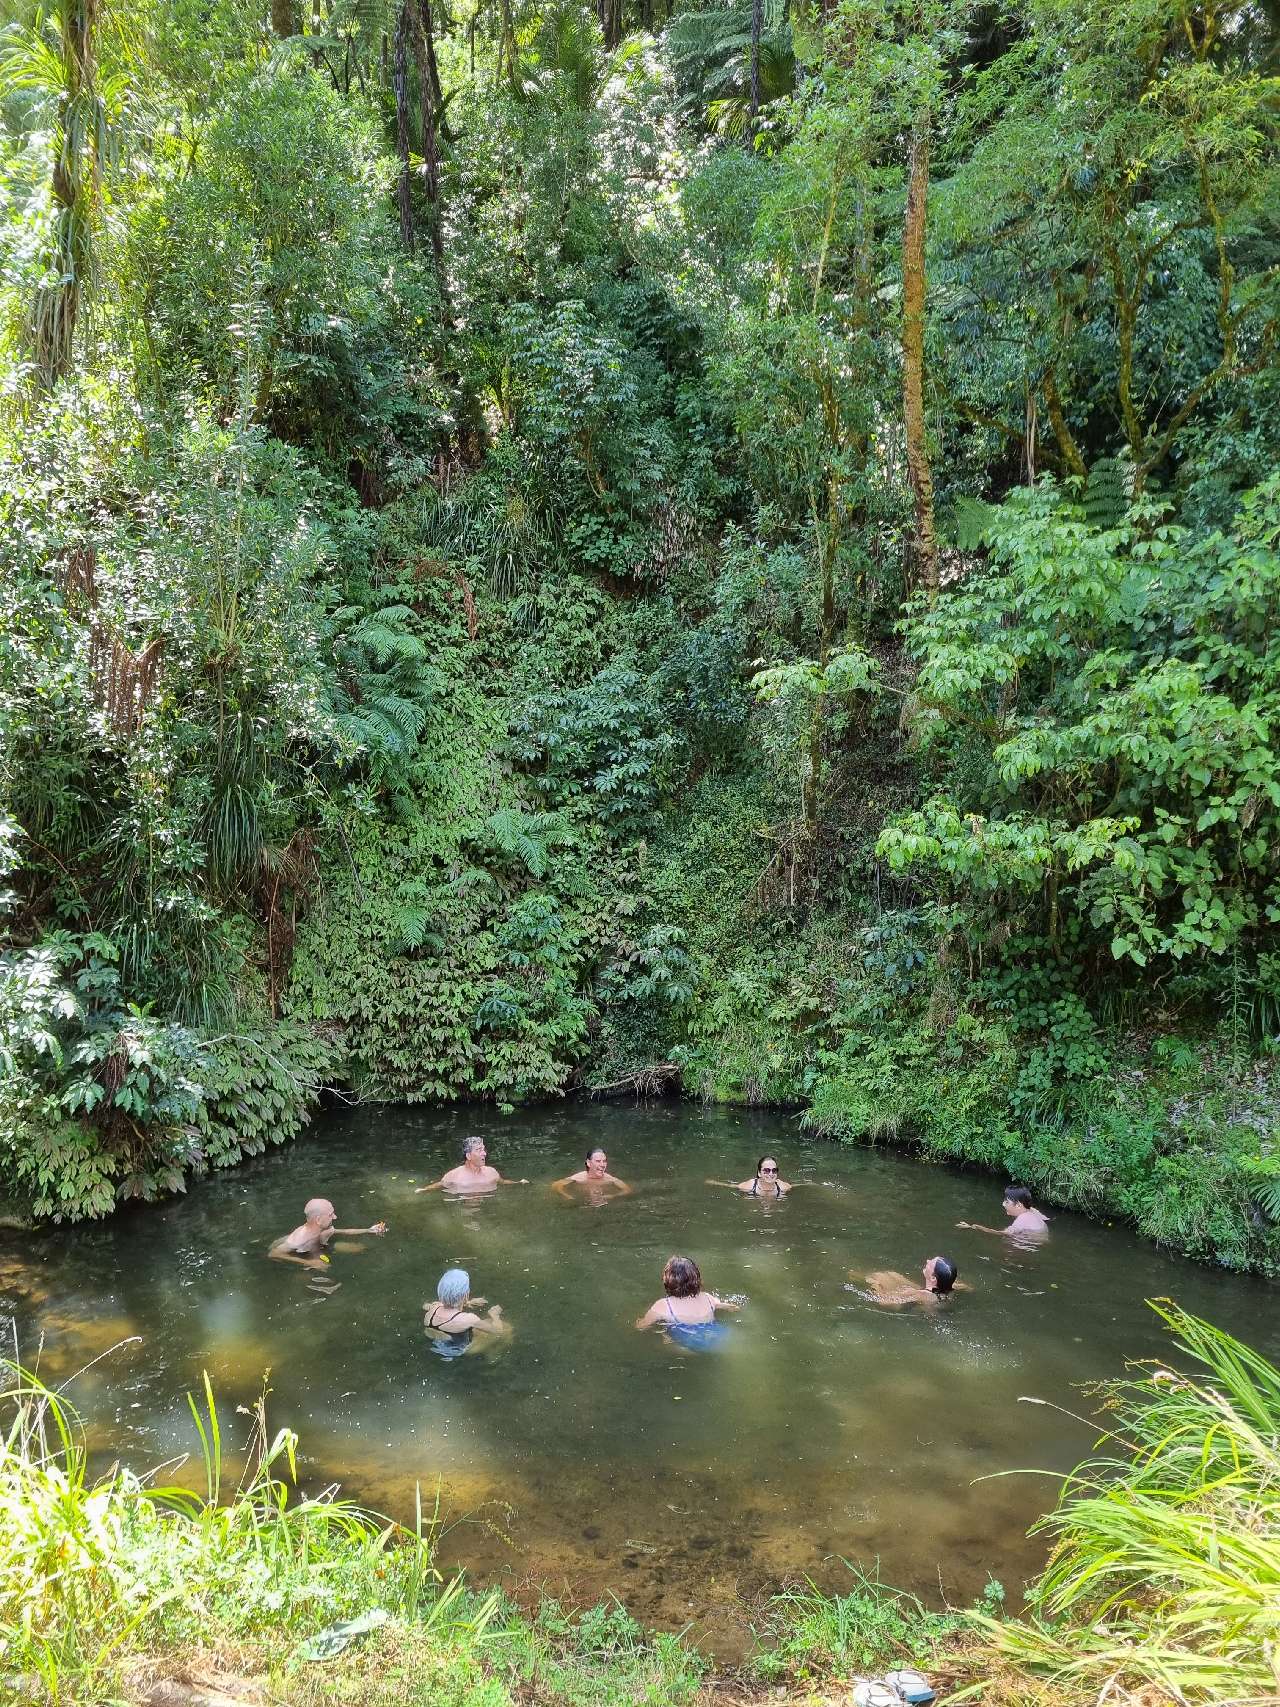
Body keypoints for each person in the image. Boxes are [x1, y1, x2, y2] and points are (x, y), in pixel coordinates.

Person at [635, 1255, 741, 1350]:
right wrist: (732, 1307)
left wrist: (638, 1323)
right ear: (697, 1279)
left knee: (666, 1340)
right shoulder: (707, 1297)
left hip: (691, 1340)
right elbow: (724, 1305)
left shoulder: (663, 1305)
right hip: (718, 1333)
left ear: (667, 1281)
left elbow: (643, 1326)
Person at [269, 1198, 387, 1269]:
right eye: (331, 1215)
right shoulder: (299, 1239)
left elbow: (345, 1231)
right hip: (300, 1255)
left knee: (361, 1249)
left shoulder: (323, 1228)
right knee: (303, 1280)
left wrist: (370, 1230)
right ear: (319, 1219)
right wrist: (309, 1262)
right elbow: (273, 1254)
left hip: (320, 1249)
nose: (335, 1217)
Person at [423, 1267, 508, 1359]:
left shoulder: (434, 1307)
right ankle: (493, 1354)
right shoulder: (469, 1319)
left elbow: (425, 1306)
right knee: (506, 1327)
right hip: (457, 1351)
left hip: (436, 1344)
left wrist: (468, 1303)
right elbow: (497, 1331)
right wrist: (495, 1315)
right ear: (466, 1294)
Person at [415, 1136, 530, 1195]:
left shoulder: (491, 1172)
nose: (484, 1153)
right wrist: (424, 1190)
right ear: (469, 1156)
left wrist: (518, 1183)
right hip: (464, 1207)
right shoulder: (454, 1176)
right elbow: (440, 1185)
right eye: (479, 1150)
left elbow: (503, 1182)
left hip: (488, 1207)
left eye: (483, 1149)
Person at [856, 1256, 962, 1308]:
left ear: (933, 1278)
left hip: (921, 1316)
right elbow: (968, 1287)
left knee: (878, 1276)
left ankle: (859, 1275)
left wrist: (876, 1285)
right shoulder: (951, 1288)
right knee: (892, 1274)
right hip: (935, 1305)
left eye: (931, 1263)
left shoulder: (920, 1294)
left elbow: (884, 1302)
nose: (927, 1261)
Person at [957, 1185, 1050, 1239]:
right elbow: (1046, 1219)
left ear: (1018, 1205)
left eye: (1007, 1202)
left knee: (1009, 1242)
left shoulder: (1023, 1218)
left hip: (1030, 1244)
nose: (1003, 1204)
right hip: (1042, 1237)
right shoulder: (1032, 1210)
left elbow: (1003, 1233)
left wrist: (974, 1227)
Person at [552, 1147, 633, 1200]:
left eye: (604, 1161)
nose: (602, 1165)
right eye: (598, 1161)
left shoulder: (610, 1179)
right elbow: (556, 1185)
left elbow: (627, 1190)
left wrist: (613, 1196)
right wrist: (566, 1196)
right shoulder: (579, 1178)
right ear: (589, 1163)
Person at [706, 1155, 792, 1198]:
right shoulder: (749, 1186)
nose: (771, 1173)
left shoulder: (783, 1187)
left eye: (774, 1170)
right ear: (759, 1173)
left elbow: (796, 1186)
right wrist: (715, 1183)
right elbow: (732, 1186)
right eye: (766, 1170)